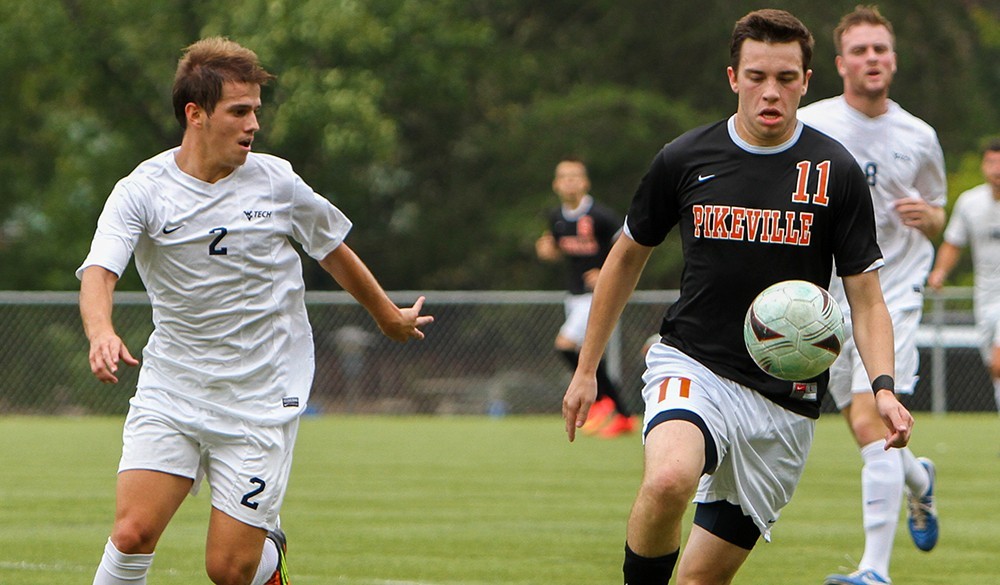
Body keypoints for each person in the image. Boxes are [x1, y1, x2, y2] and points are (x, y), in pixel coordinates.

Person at [561, 9, 914, 585]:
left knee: (702, 579)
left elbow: (867, 299)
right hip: (693, 362)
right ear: (733, 78)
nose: (769, 91)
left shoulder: (835, 170)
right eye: (756, 76)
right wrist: (586, 368)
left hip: (785, 401)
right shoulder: (684, 158)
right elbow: (624, 258)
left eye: (784, 78)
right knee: (670, 478)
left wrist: (883, 388)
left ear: (806, 81)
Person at [78, 37, 432, 585]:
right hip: (174, 385)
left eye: (256, 112)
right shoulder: (142, 191)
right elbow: (100, 272)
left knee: (228, 570)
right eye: (239, 112)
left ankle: (270, 554)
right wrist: (100, 331)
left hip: (261, 396)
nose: (253, 126)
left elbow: (333, 252)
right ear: (195, 115)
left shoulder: (277, 181)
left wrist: (387, 315)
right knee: (131, 533)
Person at [797, 6, 943, 583]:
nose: (872, 58)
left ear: (894, 60)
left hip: (895, 292)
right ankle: (920, 480)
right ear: (839, 64)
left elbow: (937, 215)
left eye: (880, 49)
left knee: (873, 417)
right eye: (860, 50)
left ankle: (873, 572)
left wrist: (928, 217)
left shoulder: (919, 135)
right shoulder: (811, 125)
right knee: (861, 424)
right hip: (827, 298)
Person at [536, 157, 636, 438]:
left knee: (565, 345)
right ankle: (623, 414)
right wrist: (548, 252)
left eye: (575, 176)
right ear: (556, 184)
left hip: (598, 296)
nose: (569, 182)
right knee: (588, 357)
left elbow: (627, 248)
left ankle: (602, 401)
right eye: (564, 177)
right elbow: (555, 249)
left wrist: (604, 271)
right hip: (574, 295)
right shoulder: (556, 217)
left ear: (585, 182)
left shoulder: (601, 216)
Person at [928, 137, 1000, 415]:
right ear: (983, 165)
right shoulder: (970, 202)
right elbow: (953, 242)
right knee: (993, 367)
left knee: (998, 362)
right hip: (985, 297)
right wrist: (940, 272)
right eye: (992, 162)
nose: (996, 169)